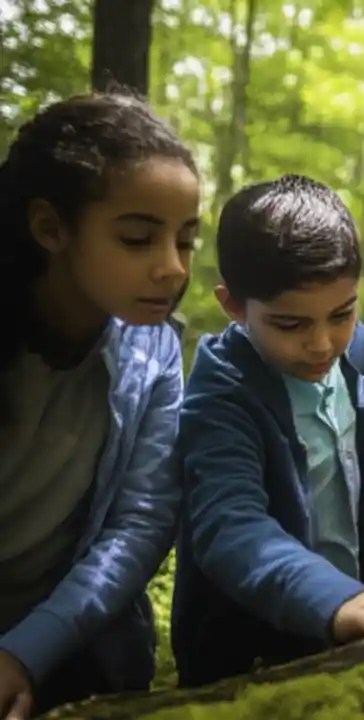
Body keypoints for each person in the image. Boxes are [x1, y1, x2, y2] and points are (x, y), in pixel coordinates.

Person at [170, 175, 364, 688]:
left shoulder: (358, 354)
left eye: (342, 314)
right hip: (241, 659)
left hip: (346, 631)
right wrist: (336, 599)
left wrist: (358, 600)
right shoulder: (222, 397)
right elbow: (231, 528)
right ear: (233, 305)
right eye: (290, 325)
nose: (322, 343)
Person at [0, 92, 199, 718]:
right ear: (50, 228)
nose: (172, 269)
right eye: (138, 239)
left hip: (75, 648)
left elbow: (140, 525)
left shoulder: (157, 352)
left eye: (186, 241)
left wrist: (23, 653)